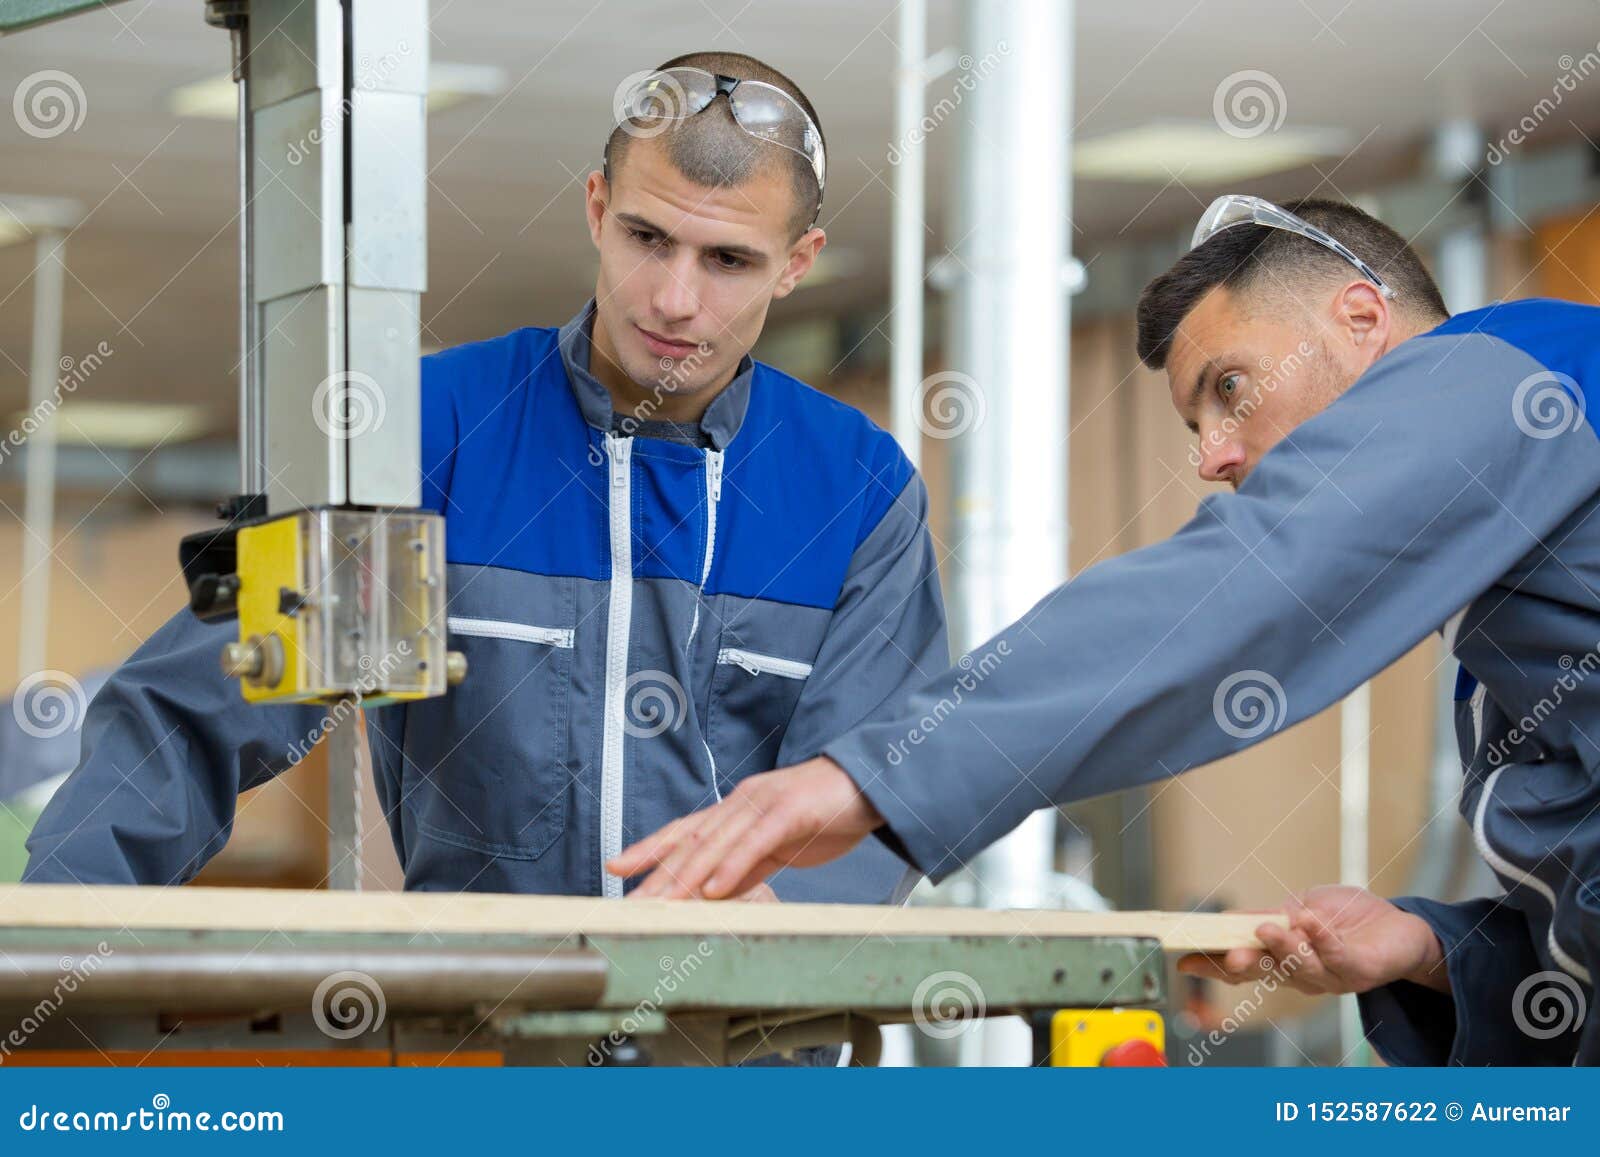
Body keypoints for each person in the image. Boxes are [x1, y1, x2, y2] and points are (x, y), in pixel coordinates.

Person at [612, 196, 1600, 1066]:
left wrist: (872, 775)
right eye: (1191, 426)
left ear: (1357, 316)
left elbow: (1239, 585)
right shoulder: (1509, 616)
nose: (1212, 456)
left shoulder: (1522, 368)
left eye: (1229, 387)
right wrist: (1427, 949)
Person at [24, 51, 946, 917]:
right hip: (479, 1047)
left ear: (797, 262)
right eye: (646, 236)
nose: (673, 298)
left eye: (728, 260)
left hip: (747, 1063)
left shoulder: (855, 492)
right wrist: (54, 945)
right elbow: (191, 718)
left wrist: (761, 952)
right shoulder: (426, 439)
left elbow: (876, 790)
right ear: (596, 208)